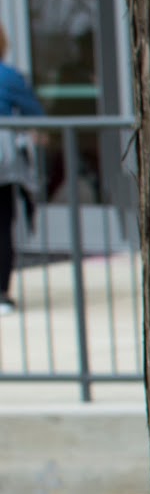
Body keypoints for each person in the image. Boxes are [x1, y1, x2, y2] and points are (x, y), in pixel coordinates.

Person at [0, 22, 43, 316]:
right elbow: (38, 120)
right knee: (2, 226)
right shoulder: (9, 77)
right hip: (3, 165)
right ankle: (1, 294)